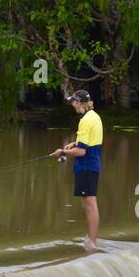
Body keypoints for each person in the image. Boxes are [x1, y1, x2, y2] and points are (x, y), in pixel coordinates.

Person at [53, 89, 103, 251]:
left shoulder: (85, 121)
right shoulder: (94, 116)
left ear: (82, 103)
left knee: (89, 204)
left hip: (86, 166)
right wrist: (74, 143)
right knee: (91, 203)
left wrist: (62, 152)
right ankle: (91, 239)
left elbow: (82, 152)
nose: (73, 104)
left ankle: (92, 242)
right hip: (93, 164)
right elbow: (86, 143)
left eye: (75, 101)